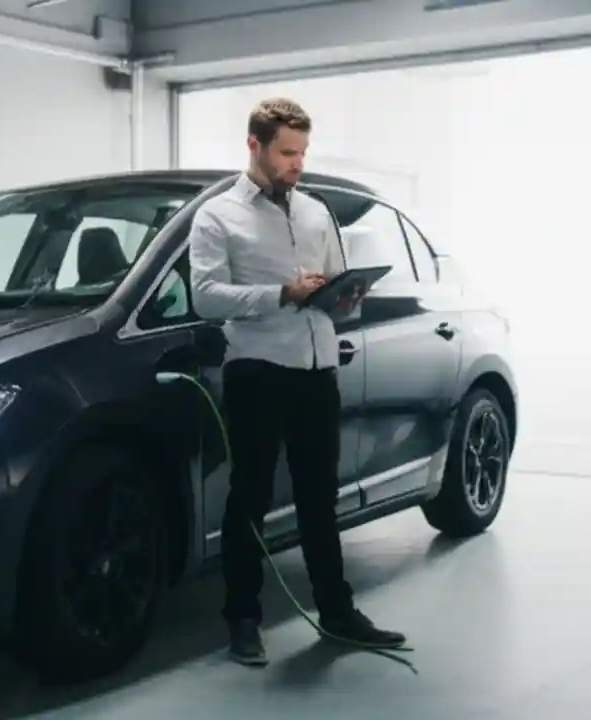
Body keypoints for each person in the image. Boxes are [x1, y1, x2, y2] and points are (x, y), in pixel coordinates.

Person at [187, 97, 407, 666]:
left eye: (303, 151)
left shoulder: (315, 212)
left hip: (317, 369)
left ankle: (337, 612)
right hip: (257, 370)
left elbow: (332, 287)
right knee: (250, 498)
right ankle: (242, 620)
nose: (297, 163)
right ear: (254, 145)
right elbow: (205, 296)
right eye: (287, 152)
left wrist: (345, 296)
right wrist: (280, 293)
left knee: (318, 498)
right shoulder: (216, 216)